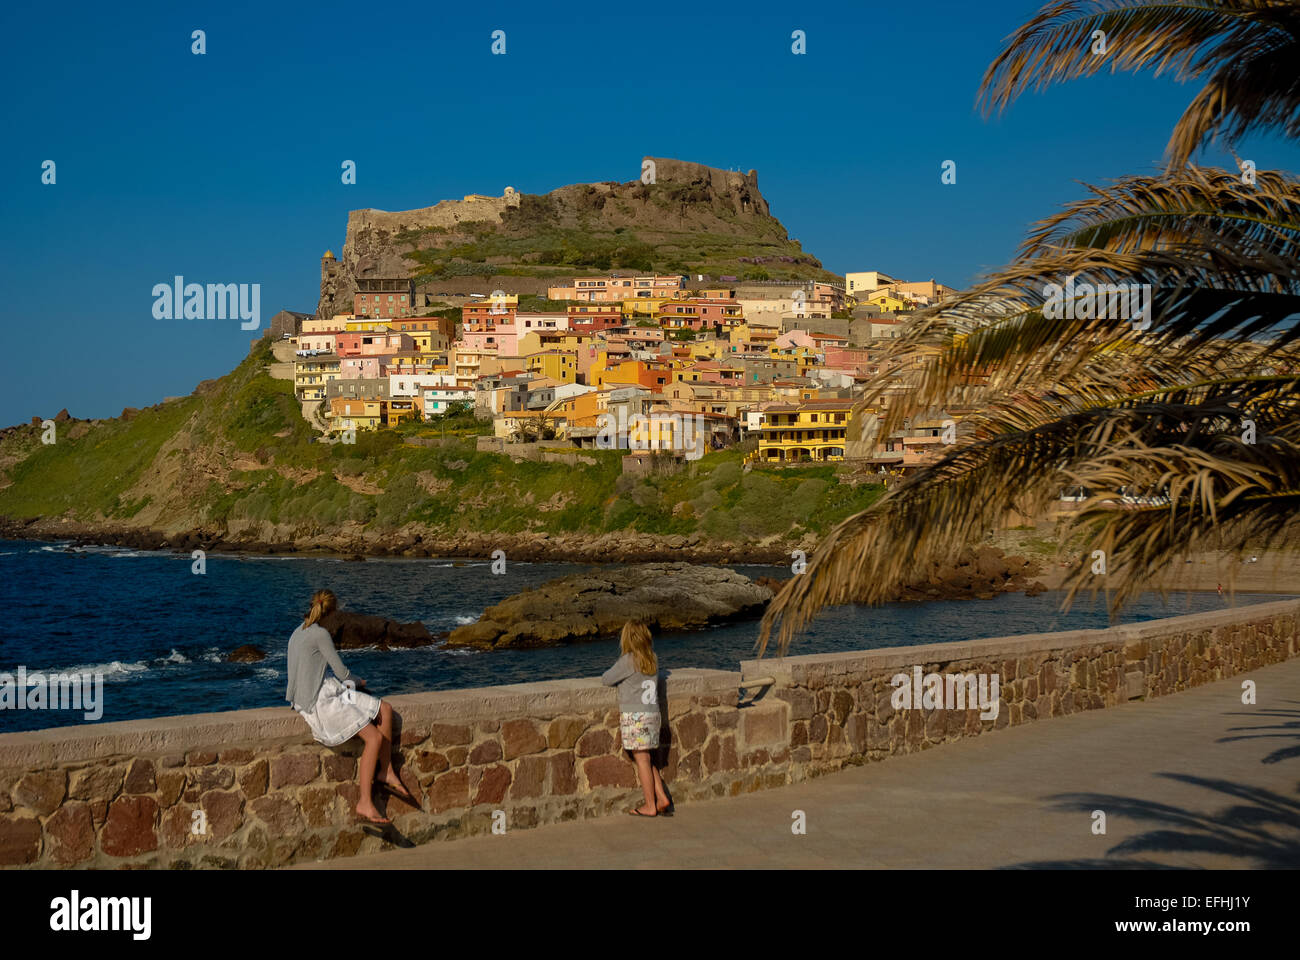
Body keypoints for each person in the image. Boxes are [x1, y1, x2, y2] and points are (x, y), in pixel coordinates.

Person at [284, 589, 417, 824]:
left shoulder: (297, 632)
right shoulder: (320, 635)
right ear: (332, 612)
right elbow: (343, 673)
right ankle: (365, 802)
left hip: (327, 689)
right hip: (320, 699)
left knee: (384, 710)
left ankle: (385, 771)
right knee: (374, 739)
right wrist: (359, 682)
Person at [601, 621, 672, 818]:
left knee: (642, 760)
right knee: (646, 758)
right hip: (651, 714)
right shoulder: (652, 658)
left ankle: (650, 805)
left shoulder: (628, 660)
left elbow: (606, 679)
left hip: (636, 716)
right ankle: (661, 798)